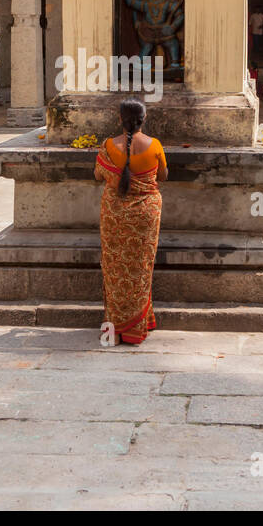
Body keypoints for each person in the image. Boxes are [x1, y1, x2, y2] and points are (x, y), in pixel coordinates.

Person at [93, 99, 168, 345]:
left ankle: (115, 328)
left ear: (119, 119)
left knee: (115, 269)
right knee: (141, 269)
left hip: (114, 213)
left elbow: (97, 175)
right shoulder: (154, 145)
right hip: (146, 214)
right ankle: (137, 328)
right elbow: (163, 176)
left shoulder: (107, 146)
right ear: (144, 119)